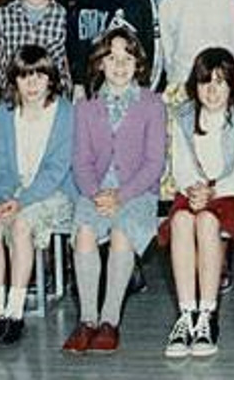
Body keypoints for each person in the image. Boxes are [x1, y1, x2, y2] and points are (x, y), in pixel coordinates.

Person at [62, 27, 165, 355]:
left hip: (137, 193)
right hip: (95, 191)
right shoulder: (86, 107)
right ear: (100, 64)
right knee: (85, 233)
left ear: (139, 64)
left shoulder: (152, 104)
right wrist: (96, 194)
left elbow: (154, 163)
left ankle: (109, 321)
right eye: (112, 58)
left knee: (122, 234)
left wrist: (120, 196)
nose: (120, 65)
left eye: (127, 58)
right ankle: (87, 320)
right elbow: (81, 160)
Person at [157, 48, 234, 358]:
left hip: (233, 193)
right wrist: (194, 190)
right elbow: (181, 166)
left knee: (207, 221)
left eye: (220, 82)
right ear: (195, 85)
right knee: (183, 221)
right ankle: (186, 314)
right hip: (194, 191)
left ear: (232, 85)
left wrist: (212, 194)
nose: (212, 90)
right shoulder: (183, 114)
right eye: (205, 82)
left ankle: (207, 314)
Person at [0, 45, 76, 347]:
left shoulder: (65, 113)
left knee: (21, 226)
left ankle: (15, 311)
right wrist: (7, 196)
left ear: (51, 79)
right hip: (12, 194)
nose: (32, 84)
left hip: (53, 194)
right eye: (24, 77)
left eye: (39, 76)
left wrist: (22, 201)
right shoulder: (5, 114)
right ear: (14, 80)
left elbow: (57, 169)